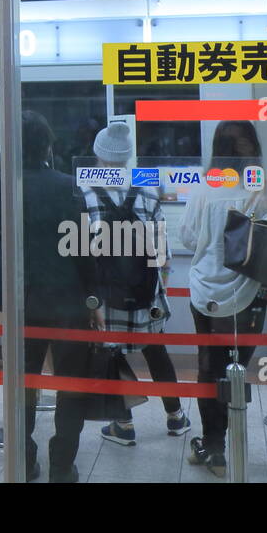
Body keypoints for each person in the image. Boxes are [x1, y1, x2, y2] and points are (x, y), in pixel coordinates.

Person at [0, 110, 97, 482]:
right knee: (70, 383)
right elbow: (83, 248)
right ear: (48, 144)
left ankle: (26, 457)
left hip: (20, 299)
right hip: (68, 297)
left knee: (22, 383)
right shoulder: (69, 186)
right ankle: (62, 465)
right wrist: (92, 299)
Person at [178, 119, 267, 477]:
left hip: (205, 291)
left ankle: (214, 446)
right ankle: (232, 440)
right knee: (235, 369)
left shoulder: (206, 189)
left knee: (208, 367)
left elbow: (189, 239)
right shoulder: (263, 192)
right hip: (249, 293)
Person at [83, 122, 190, 447]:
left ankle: (123, 423)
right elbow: (162, 251)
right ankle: (175, 417)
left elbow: (83, 252)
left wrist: (89, 299)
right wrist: (160, 288)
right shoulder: (146, 191)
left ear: (99, 155)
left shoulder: (86, 193)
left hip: (106, 295)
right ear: (127, 158)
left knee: (111, 353)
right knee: (156, 351)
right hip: (146, 291)